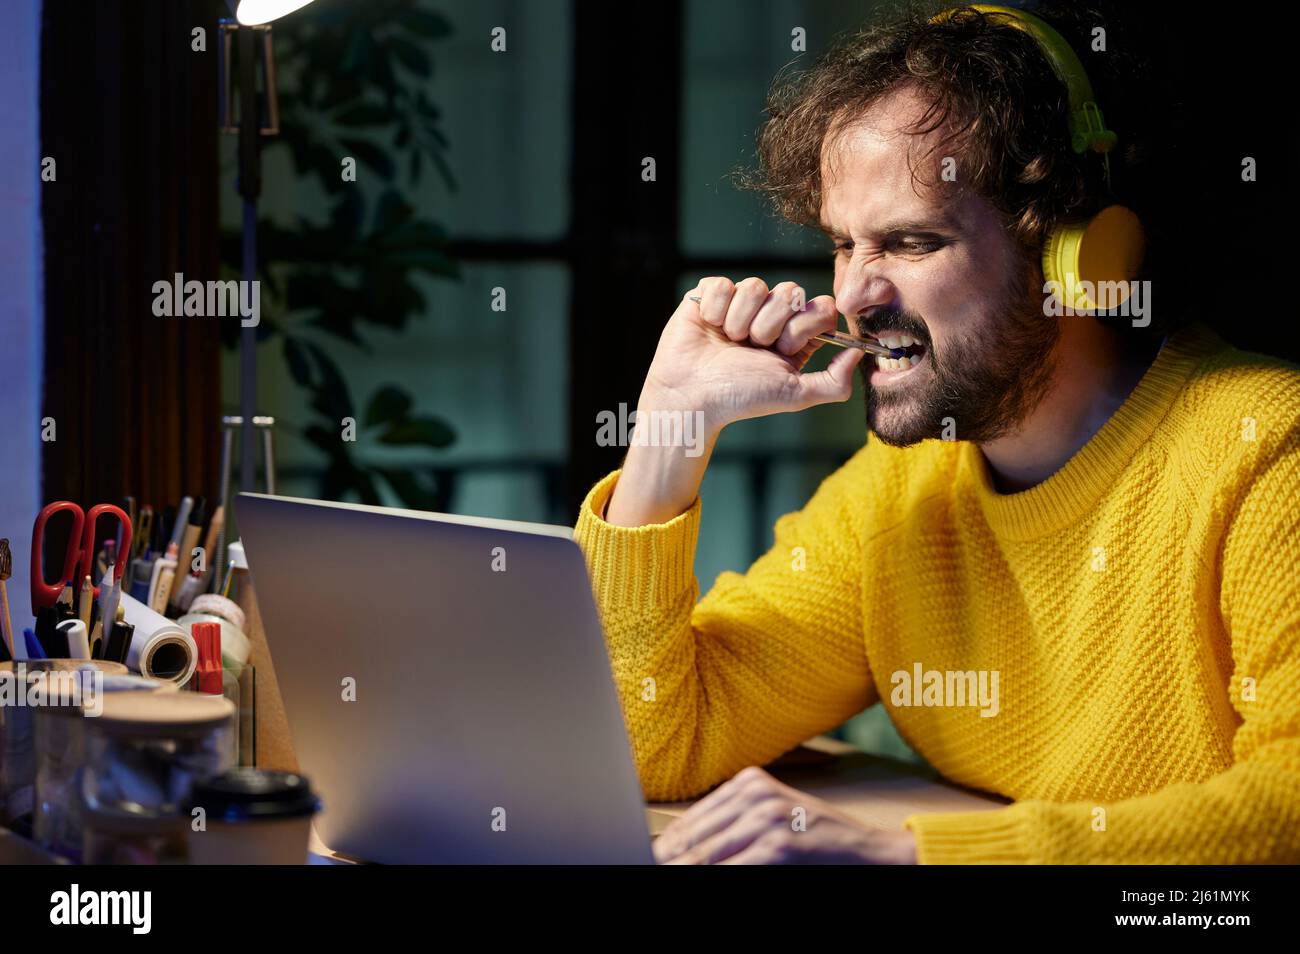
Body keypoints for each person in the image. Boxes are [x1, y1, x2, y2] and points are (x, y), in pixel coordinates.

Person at [572, 4, 1300, 864]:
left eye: (912, 242)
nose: (853, 295)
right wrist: (667, 436)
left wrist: (914, 858)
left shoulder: (1266, 451)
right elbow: (654, 742)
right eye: (844, 244)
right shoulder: (897, 492)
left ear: (1077, 255)